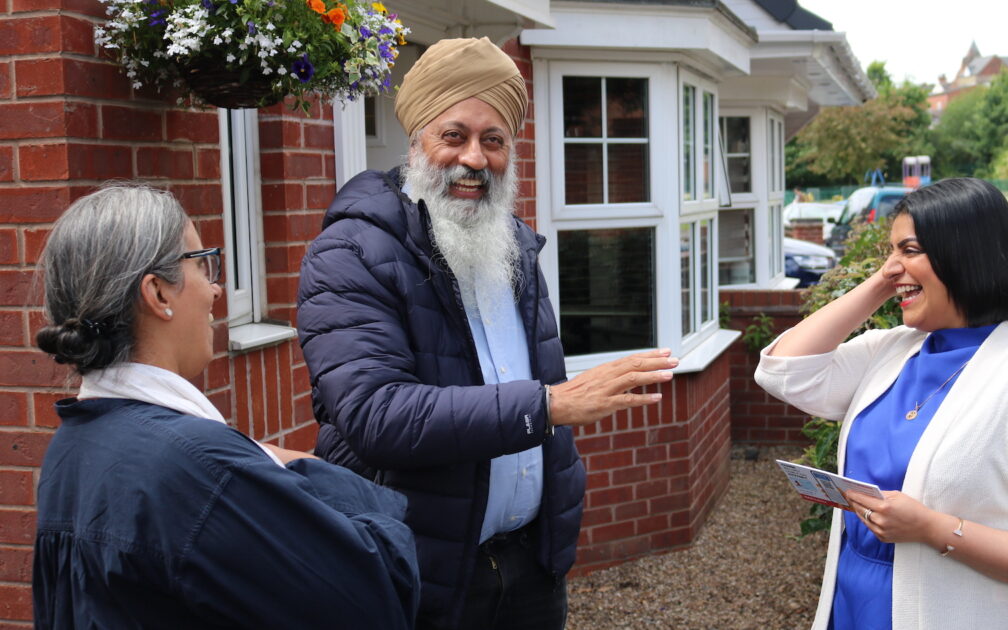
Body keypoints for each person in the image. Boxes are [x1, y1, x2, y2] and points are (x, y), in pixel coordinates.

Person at [296, 37, 676, 630]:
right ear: (416, 141)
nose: (474, 159)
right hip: (419, 572)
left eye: (493, 140)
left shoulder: (514, 246)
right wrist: (549, 407)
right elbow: (376, 415)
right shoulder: (349, 253)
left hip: (530, 568)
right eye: (454, 135)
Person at [32, 184, 420, 629]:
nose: (216, 288)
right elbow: (378, 595)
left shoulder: (71, 446)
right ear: (158, 294)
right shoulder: (200, 469)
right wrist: (298, 469)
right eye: (202, 264)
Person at [755, 178, 1008, 629]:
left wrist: (932, 529)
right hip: (852, 604)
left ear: (964, 254)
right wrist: (885, 282)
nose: (890, 266)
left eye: (910, 249)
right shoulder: (893, 350)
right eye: (890, 252)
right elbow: (782, 371)